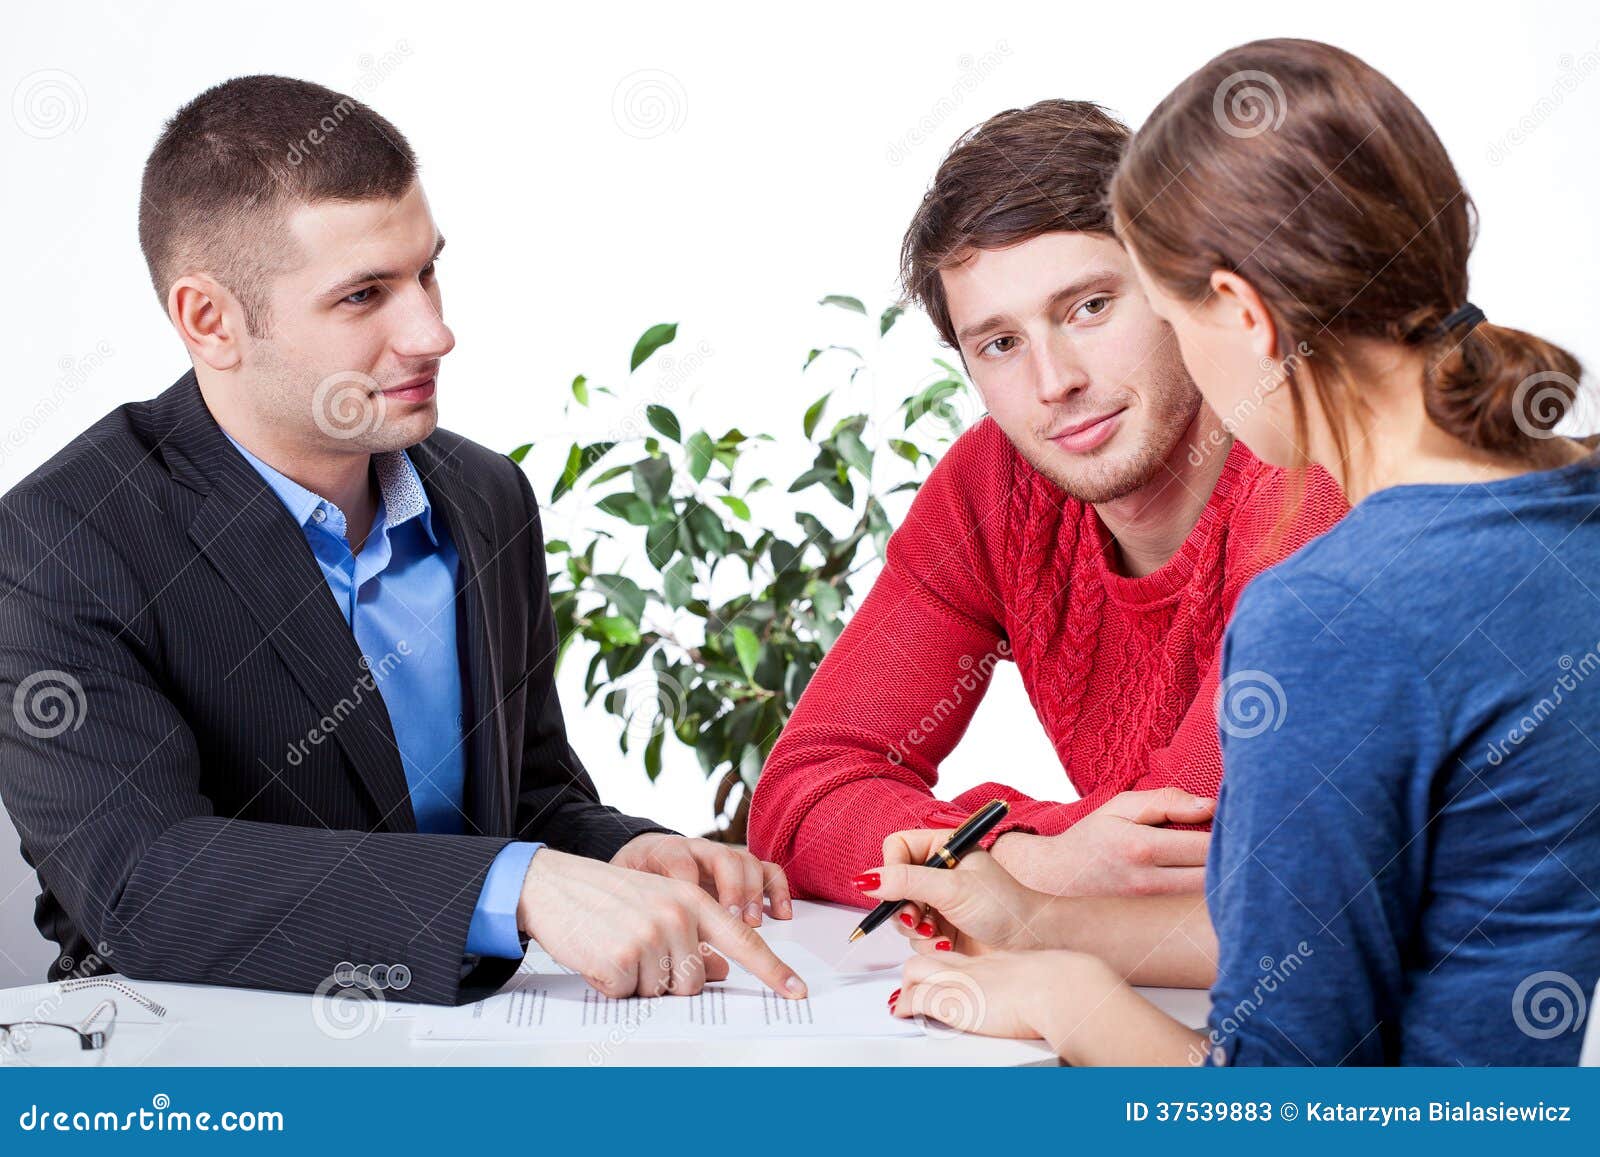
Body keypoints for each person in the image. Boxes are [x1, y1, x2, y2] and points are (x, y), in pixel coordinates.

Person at [860, 38, 1600, 1066]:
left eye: (1154, 313)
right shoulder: (1568, 506)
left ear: (1244, 317)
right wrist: (1039, 916)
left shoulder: (1335, 609)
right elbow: (1385, 932)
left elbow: (1279, 1105)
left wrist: (1066, 998)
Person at [0, 75, 806, 1007]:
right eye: (364, 296)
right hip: (198, 1059)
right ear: (209, 320)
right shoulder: (53, 543)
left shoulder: (486, 495)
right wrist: (522, 886)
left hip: (467, 1040)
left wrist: (618, 848)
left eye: (426, 270)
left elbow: (529, 799)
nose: (434, 330)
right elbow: (145, 884)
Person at [748, 100, 1345, 906]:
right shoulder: (991, 488)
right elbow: (799, 801)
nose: (1053, 381)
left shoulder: (1302, 472)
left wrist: (971, 864)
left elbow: (1198, 840)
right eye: (1000, 343)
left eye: (1089, 307)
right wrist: (1026, 859)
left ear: (1182, 287)